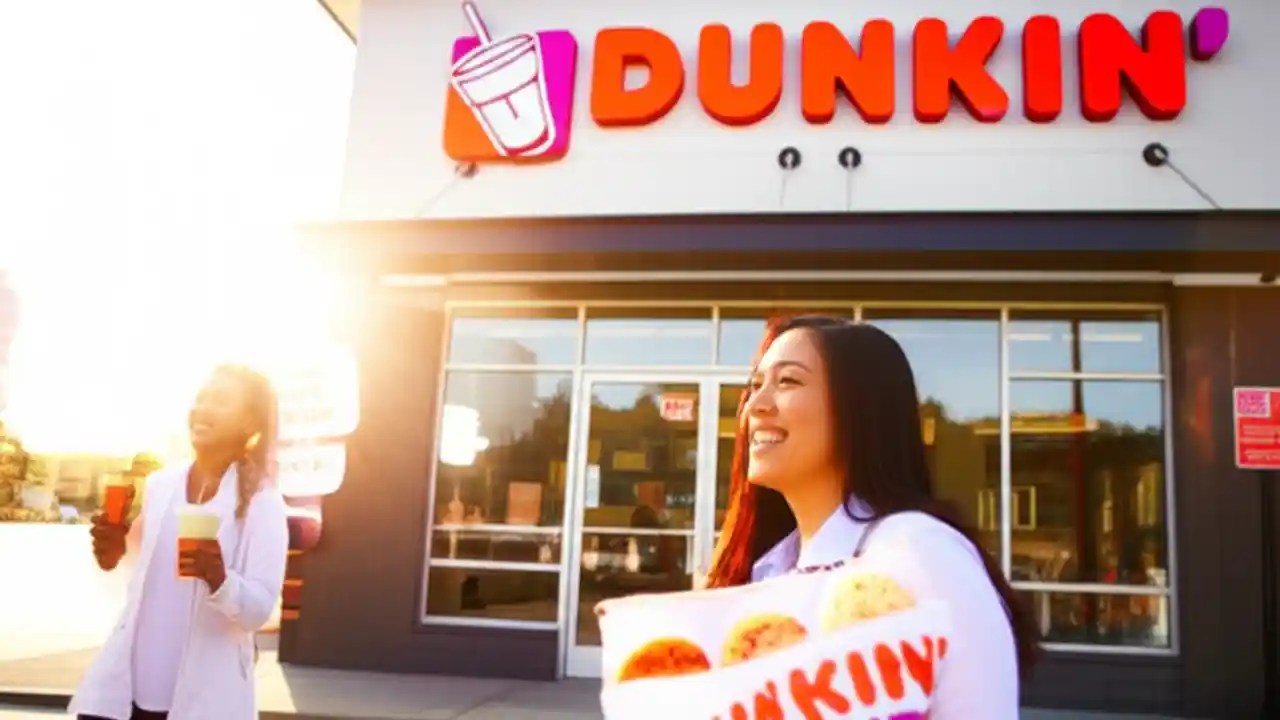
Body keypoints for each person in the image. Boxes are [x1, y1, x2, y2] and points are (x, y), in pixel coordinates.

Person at [705, 315, 1039, 718]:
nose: (756, 405)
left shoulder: (918, 552)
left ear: (859, 410)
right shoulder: (771, 570)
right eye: (756, 385)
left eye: (788, 381)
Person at [70, 364, 289, 720]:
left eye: (220, 400)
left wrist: (220, 579)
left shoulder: (262, 502)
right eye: (201, 398)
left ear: (249, 422)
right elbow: (136, 580)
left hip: (203, 701)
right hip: (127, 696)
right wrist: (111, 551)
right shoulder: (160, 486)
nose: (202, 408)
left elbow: (259, 609)